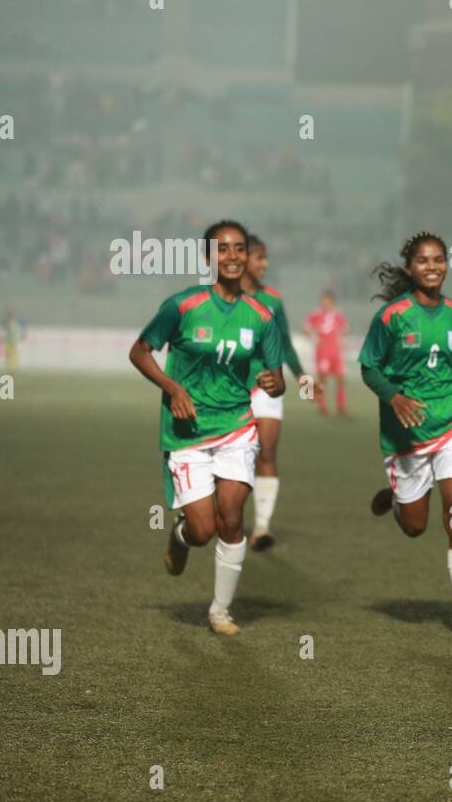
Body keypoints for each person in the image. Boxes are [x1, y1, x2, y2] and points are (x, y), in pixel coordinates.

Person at [128, 220, 285, 635]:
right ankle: (180, 536)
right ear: (208, 258)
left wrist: (276, 381)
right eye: (222, 250)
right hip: (188, 432)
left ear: (248, 256)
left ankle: (220, 611)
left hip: (236, 426)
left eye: (239, 249)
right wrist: (171, 387)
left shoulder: (262, 316)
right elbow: (140, 351)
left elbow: (277, 376)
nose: (232, 257)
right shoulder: (182, 305)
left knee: (231, 518)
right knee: (203, 529)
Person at [361, 232, 452, 640]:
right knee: (415, 526)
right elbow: (369, 367)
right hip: (407, 437)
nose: (433, 266)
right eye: (423, 261)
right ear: (410, 268)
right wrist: (394, 396)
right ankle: (399, 501)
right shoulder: (391, 317)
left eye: (439, 259)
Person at [240, 234, 313, 550]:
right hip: (232, 388)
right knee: (235, 457)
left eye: (266, 258)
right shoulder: (224, 299)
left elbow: (284, 342)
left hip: (269, 385)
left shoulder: (273, 300)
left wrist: (302, 378)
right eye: (259, 257)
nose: (264, 264)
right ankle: (226, 517)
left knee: (267, 453)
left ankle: (261, 527)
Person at [304, 289, 349, 417]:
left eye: (328, 301)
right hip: (323, 352)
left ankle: (341, 407)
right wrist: (314, 339)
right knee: (323, 379)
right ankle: (322, 406)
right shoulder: (316, 314)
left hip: (336, 352)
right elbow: (306, 329)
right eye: (324, 301)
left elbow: (345, 330)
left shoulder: (338, 315)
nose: (326, 303)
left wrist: (343, 342)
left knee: (340, 379)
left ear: (333, 302)